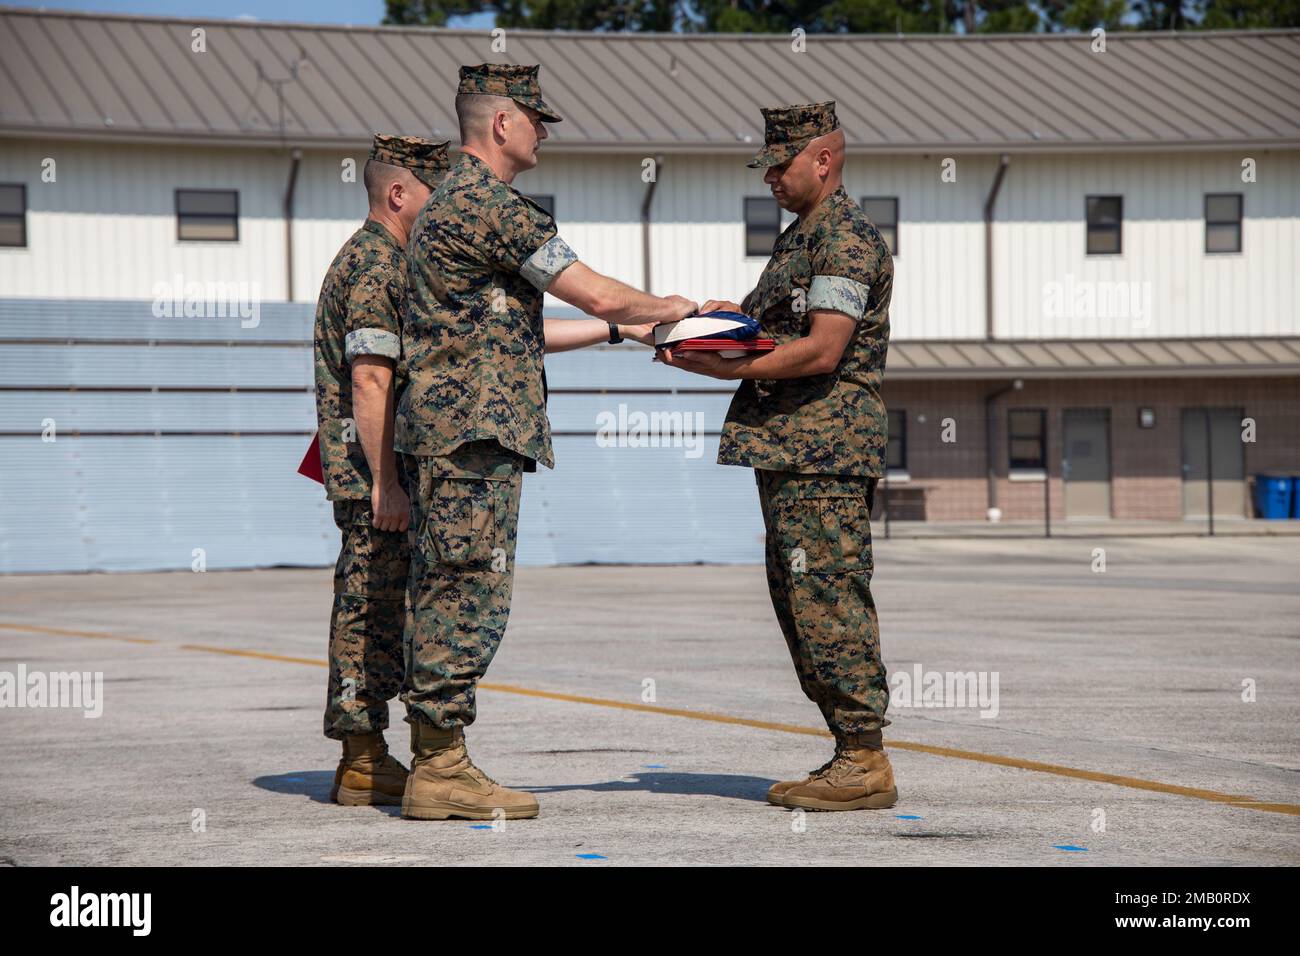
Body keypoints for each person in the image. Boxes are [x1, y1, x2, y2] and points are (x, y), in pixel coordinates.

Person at [396, 63, 697, 821]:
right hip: (473, 437)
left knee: (451, 584)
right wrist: (671, 307)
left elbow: (526, 328)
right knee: (467, 592)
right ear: (502, 123)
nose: (545, 131)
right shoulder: (491, 205)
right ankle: (440, 767)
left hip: (450, 432)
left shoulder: (446, 207)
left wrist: (619, 328)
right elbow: (589, 287)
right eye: (537, 118)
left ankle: (438, 757)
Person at [659, 102, 898, 811]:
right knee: (798, 598)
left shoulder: (845, 240)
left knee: (827, 597)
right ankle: (850, 750)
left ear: (823, 160)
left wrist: (727, 369)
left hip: (824, 451)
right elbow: (770, 330)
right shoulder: (802, 239)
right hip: (792, 449)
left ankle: (864, 757)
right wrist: (719, 323)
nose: (768, 175)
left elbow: (824, 347)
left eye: (780, 163)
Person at [313, 134, 448, 806]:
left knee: (381, 604)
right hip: (376, 477)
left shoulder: (389, 261)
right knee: (370, 607)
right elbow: (370, 378)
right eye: (434, 194)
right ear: (398, 193)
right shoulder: (374, 265)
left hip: (376, 473)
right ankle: (362, 758)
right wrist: (385, 482)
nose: (444, 208)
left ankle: (368, 754)